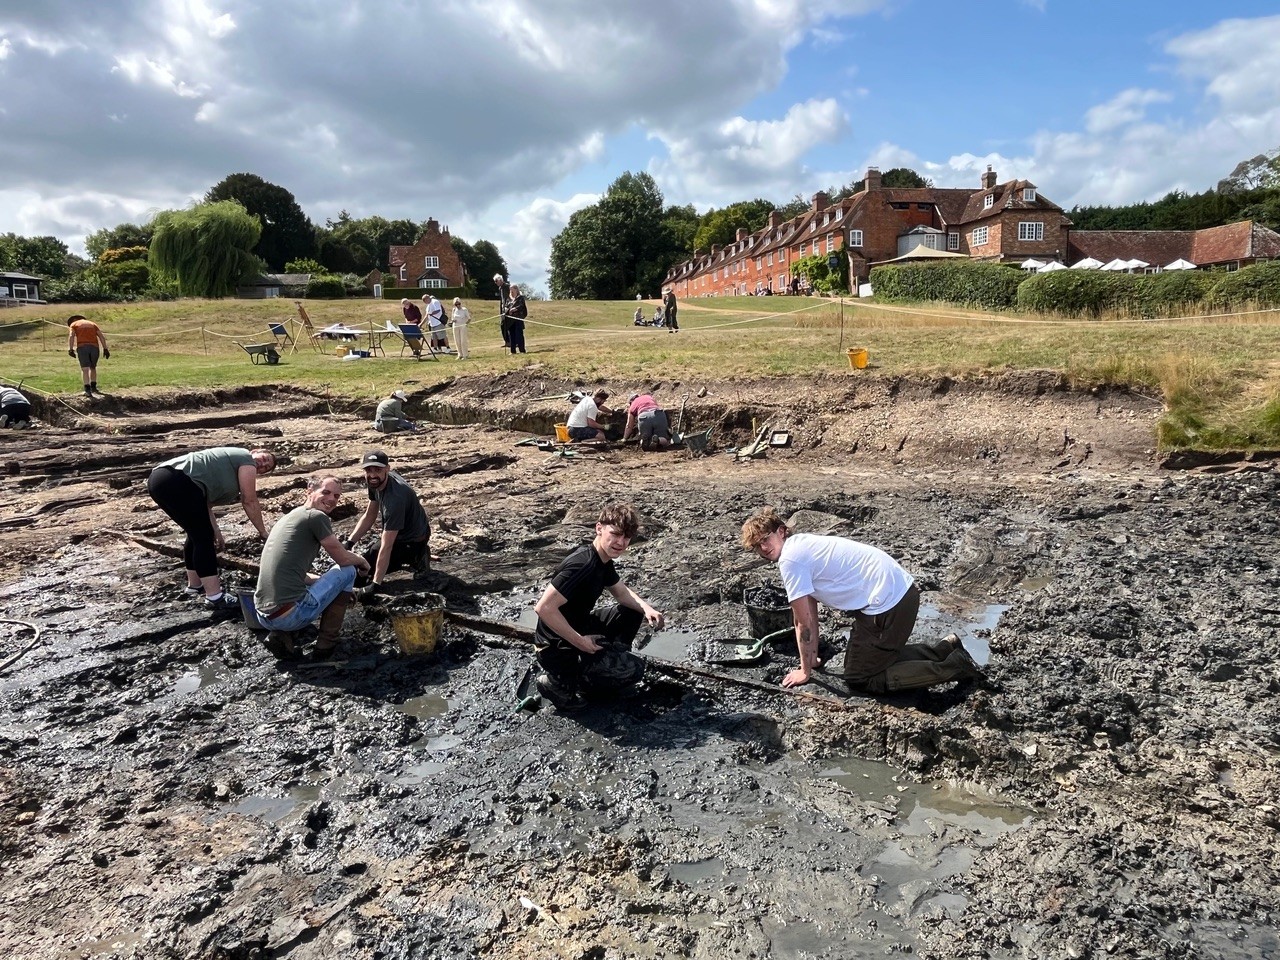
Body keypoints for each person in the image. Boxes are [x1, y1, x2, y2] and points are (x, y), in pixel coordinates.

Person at [740, 508, 989, 694]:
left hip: (888, 605)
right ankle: (944, 649)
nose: (763, 548)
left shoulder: (790, 560)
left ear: (781, 531)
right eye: (757, 545)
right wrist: (811, 658)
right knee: (868, 660)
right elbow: (808, 613)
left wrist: (804, 671)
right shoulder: (801, 546)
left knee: (860, 677)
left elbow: (803, 626)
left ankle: (953, 666)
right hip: (900, 593)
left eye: (766, 539)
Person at [532, 503, 664, 710]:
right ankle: (561, 684)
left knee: (632, 611)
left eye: (627, 537)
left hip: (580, 624)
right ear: (599, 528)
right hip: (555, 647)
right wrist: (581, 642)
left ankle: (605, 661)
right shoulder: (581, 564)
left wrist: (647, 608)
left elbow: (621, 592)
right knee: (634, 670)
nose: (621, 542)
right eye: (616, 534)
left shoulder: (602, 560)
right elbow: (544, 608)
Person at [147, 446, 276, 617]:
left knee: (197, 535)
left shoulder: (227, 471)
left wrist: (216, 530)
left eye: (266, 468)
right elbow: (249, 500)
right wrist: (263, 532)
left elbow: (204, 504)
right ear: (255, 450)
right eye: (264, 458)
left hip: (160, 481)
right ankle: (215, 597)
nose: (262, 464)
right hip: (176, 480)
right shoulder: (245, 458)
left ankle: (195, 586)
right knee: (203, 539)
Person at [254, 475, 371, 660]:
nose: (332, 499)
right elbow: (342, 558)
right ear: (309, 490)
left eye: (337, 496)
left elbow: (296, 573)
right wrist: (362, 562)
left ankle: (282, 635)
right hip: (289, 616)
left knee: (320, 580)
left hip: (262, 615)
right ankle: (326, 644)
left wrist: (330, 584)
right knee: (348, 571)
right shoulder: (316, 517)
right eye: (326, 492)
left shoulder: (291, 517)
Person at [343, 450, 431, 600]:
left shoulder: (395, 499)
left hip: (412, 539)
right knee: (364, 564)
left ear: (388, 469)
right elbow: (370, 515)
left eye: (378, 470)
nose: (372, 475)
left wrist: (376, 584)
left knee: (369, 568)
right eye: (368, 470)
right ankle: (409, 555)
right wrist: (349, 542)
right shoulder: (375, 482)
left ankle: (418, 555)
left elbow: (387, 545)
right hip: (401, 532)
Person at [67, 314, 109, 398]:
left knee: (85, 369)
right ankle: (94, 387)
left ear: (75, 319)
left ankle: (87, 389)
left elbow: (71, 336)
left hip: (82, 347)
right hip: (95, 347)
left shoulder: (74, 324)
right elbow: (101, 336)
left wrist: (70, 349)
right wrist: (105, 348)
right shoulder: (93, 324)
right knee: (93, 367)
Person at [506, 284, 528, 354]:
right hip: (510, 319)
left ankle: (522, 350)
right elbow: (506, 306)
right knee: (511, 335)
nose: (511, 291)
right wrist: (507, 310)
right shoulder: (508, 299)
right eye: (510, 290)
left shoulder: (520, 298)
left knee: (519, 334)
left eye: (512, 290)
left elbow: (521, 306)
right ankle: (513, 351)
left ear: (516, 290)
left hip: (518, 318)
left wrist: (515, 309)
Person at [495, 274, 512, 349]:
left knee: (508, 325)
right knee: (503, 325)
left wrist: (507, 307)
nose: (495, 283)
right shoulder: (500, 288)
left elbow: (509, 297)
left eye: (496, 281)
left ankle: (511, 341)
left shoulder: (506, 286)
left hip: (508, 308)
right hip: (503, 309)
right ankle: (507, 341)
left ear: (500, 280)